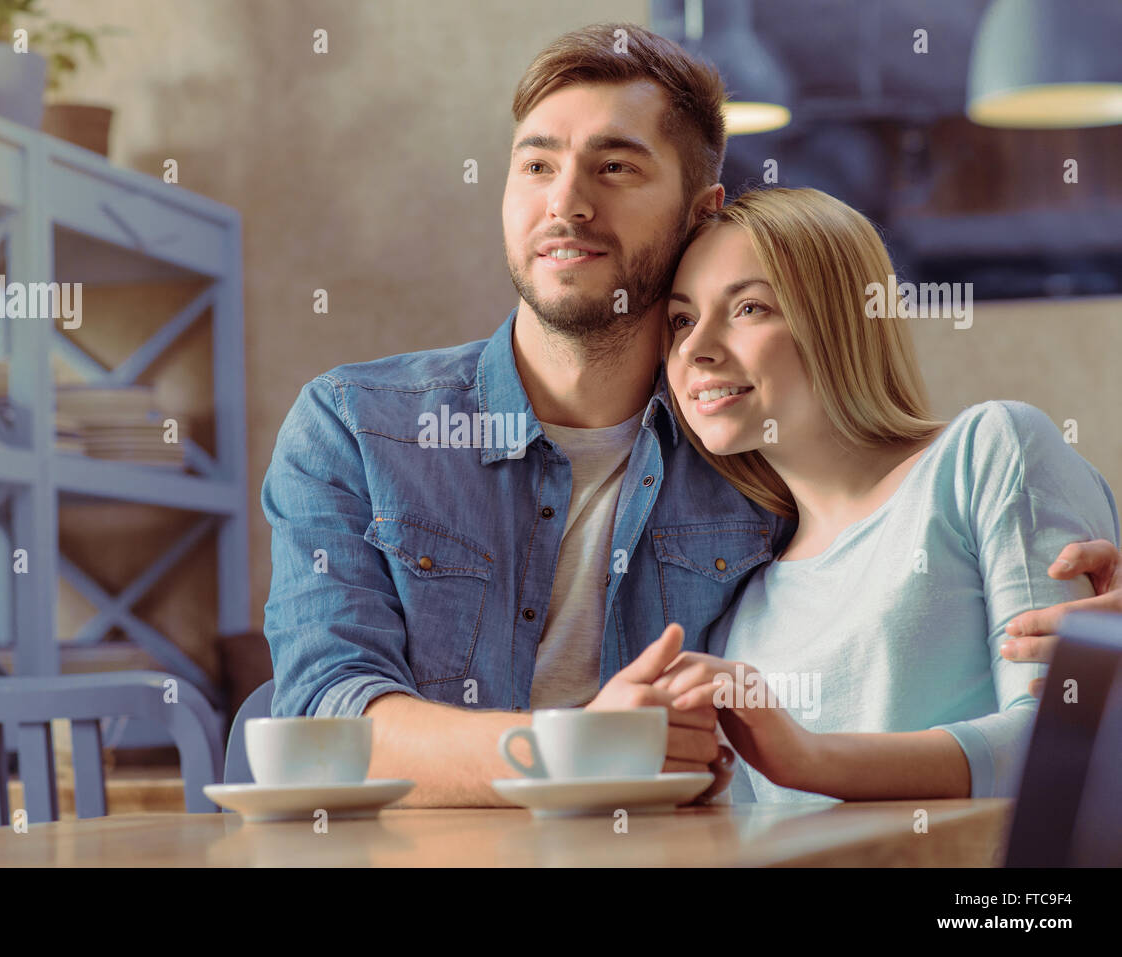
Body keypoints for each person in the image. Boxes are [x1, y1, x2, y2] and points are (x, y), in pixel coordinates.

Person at [259, 22, 1122, 807]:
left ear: (699, 210)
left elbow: (1059, 712)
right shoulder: (356, 427)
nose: (565, 202)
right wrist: (580, 745)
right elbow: (330, 716)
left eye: (615, 164)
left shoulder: (751, 483)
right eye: (535, 163)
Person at [652, 186, 1120, 801]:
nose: (694, 348)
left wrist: (810, 758)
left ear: (842, 320)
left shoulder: (989, 452)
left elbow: (1065, 738)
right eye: (682, 319)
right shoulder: (738, 610)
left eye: (749, 309)